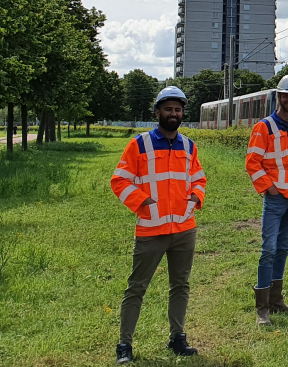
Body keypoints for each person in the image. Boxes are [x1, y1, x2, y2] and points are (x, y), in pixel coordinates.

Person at [110, 86, 205, 365]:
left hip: (184, 229)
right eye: (168, 109)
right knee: (137, 287)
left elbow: (198, 178)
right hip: (152, 229)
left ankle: (177, 337)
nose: (173, 114)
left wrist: (195, 199)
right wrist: (142, 202)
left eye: (178, 109)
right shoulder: (139, 144)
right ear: (157, 112)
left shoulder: (189, 146)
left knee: (180, 285)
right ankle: (124, 344)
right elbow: (119, 180)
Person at [245, 74, 288, 325]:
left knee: (282, 248)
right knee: (268, 250)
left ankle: (276, 300)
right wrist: (269, 188)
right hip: (276, 199)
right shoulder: (264, 127)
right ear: (278, 96)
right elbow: (252, 162)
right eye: (285, 95)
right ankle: (262, 308)